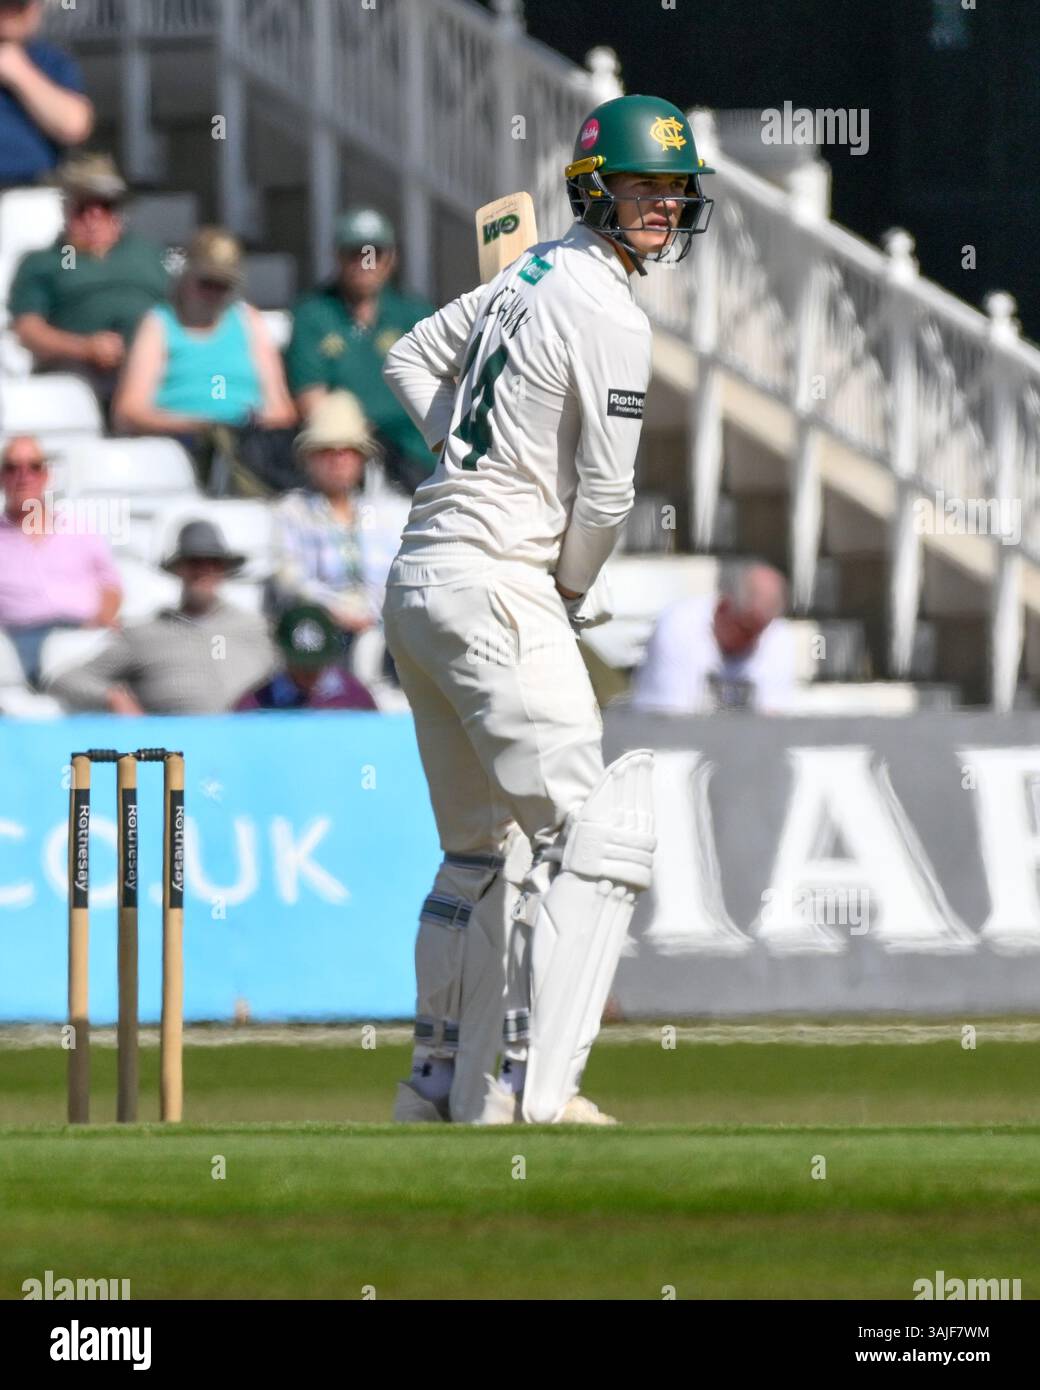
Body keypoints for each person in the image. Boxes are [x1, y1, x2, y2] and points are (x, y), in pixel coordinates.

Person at [380, 95, 715, 1126]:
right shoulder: (609, 311)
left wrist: (473, 463)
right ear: (591, 189)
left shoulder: (521, 276)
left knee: (480, 851)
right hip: (500, 581)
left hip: (420, 579)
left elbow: (406, 360)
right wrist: (565, 585)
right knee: (589, 840)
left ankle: (437, 1085)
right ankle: (539, 1087)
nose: (659, 208)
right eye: (639, 188)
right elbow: (607, 496)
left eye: (671, 190)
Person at [112, 227, 297, 494]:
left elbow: (282, 409)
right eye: (206, 283)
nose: (213, 293)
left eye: (223, 285)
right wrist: (202, 425)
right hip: (180, 447)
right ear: (187, 277)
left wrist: (247, 424)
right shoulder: (160, 324)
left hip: (248, 445)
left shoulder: (248, 320)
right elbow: (128, 412)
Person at [48, 519, 276, 714]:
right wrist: (114, 697)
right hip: (175, 755)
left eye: (213, 562)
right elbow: (66, 680)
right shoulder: (144, 635)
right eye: (195, 561)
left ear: (223, 569)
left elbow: (298, 679)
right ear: (179, 568)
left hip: (249, 748)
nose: (204, 570)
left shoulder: (258, 629)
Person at [284, 208, 436, 492]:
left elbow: (443, 386)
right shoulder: (314, 314)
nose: (365, 262)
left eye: (374, 253)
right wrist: (355, 442)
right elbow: (312, 401)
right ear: (338, 256)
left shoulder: (413, 313)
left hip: (416, 450)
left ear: (391, 258)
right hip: (348, 450)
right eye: (355, 253)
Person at [9, 153, 170, 413]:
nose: (94, 216)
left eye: (105, 205)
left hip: (152, 366)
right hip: (76, 372)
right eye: (83, 207)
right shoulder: (42, 262)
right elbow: (29, 330)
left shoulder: (148, 255)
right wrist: (86, 348)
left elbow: (181, 313)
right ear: (67, 209)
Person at [268, 390, 407, 643]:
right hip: (319, 631)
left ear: (361, 458)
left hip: (382, 631)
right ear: (309, 459)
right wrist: (338, 612)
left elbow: (399, 578)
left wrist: (372, 615)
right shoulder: (292, 510)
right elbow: (288, 580)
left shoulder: (388, 512)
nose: (338, 460)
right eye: (327, 451)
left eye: (348, 451)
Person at [0, 435, 121, 684]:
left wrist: (102, 619)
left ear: (46, 475)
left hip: (81, 632)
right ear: (2, 477)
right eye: (13, 467)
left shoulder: (78, 528)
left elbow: (111, 585)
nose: (24, 475)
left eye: (33, 466)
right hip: (18, 639)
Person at [631, 563, 797, 714]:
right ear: (725, 606)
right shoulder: (679, 626)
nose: (751, 639)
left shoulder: (777, 637)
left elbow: (773, 720)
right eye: (745, 627)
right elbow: (670, 720)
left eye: (759, 631)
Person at [0, 0, 92, 190]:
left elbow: (74, 125)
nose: (13, 16)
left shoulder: (50, 60)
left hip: (31, 193)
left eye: (22, 7)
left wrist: (19, 72)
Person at [235, 604, 377, 711]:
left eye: (315, 665)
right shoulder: (258, 704)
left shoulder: (355, 697)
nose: (308, 674)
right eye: (300, 665)